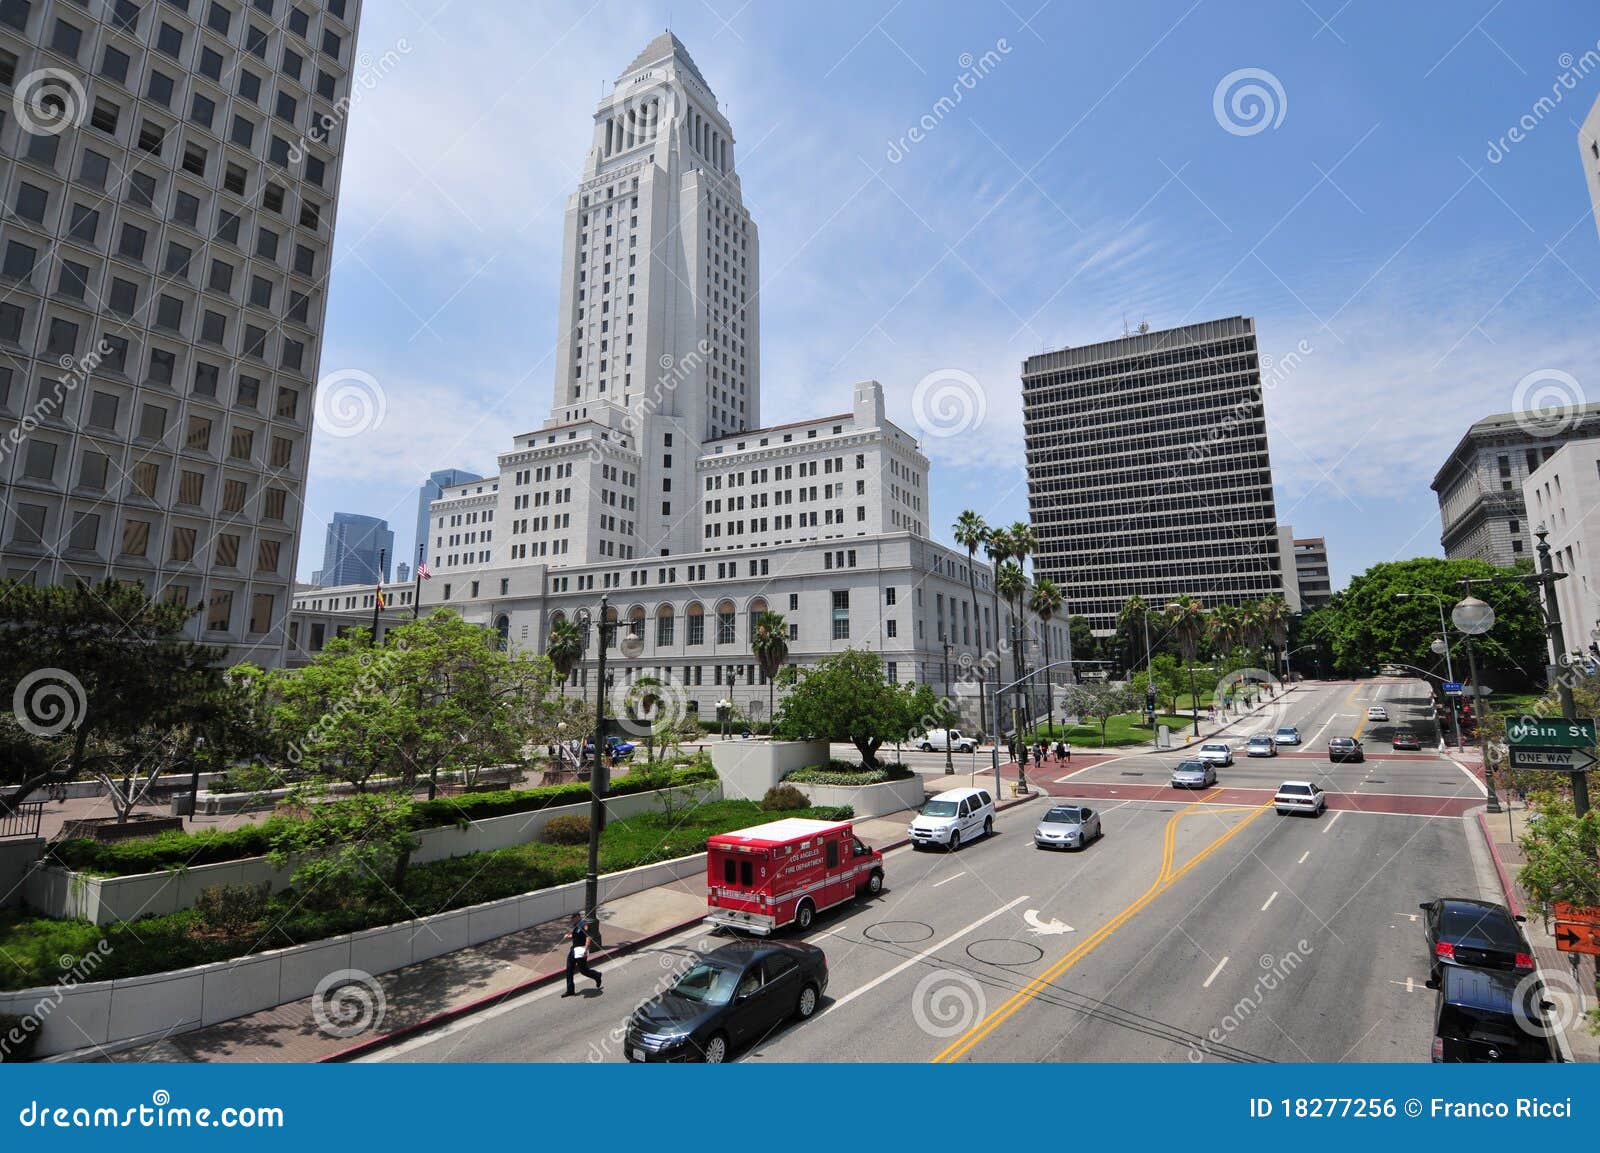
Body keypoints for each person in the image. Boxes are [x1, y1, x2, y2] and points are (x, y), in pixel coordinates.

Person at [563, 912, 602, 996]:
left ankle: (597, 975)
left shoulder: (584, 925)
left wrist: (586, 950)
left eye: (573, 917)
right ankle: (570, 990)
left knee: (583, 971)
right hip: (573, 950)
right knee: (569, 969)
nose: (572, 919)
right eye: (572, 918)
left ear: (578, 917)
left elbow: (588, 937)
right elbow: (576, 936)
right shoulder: (576, 925)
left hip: (581, 950)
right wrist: (568, 936)